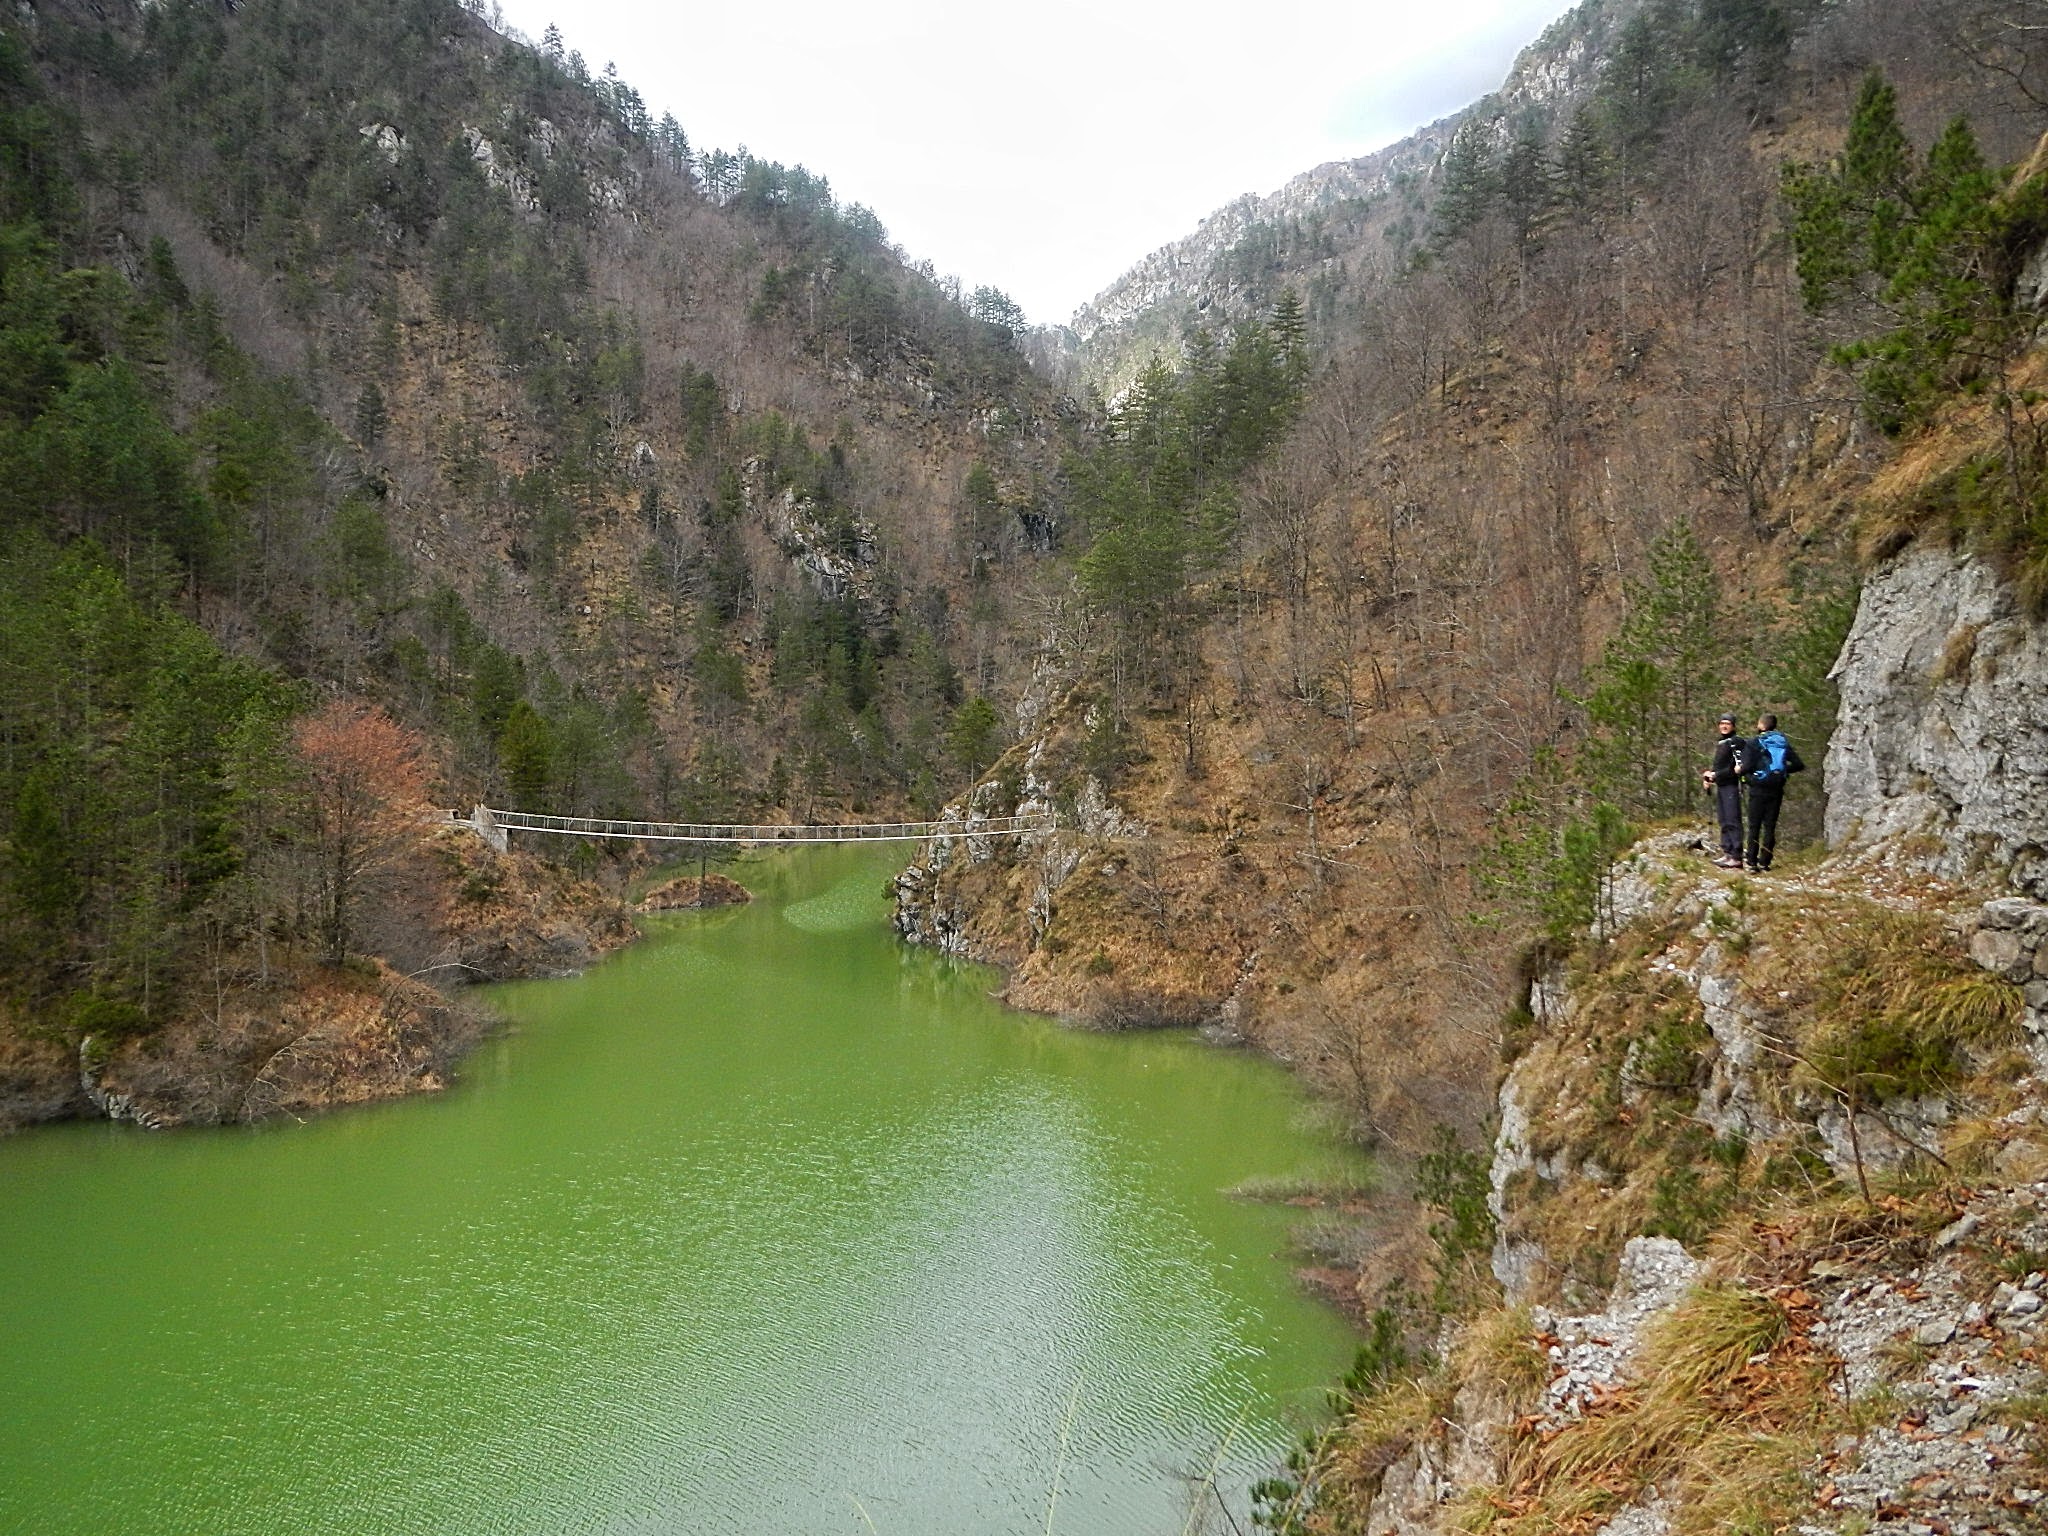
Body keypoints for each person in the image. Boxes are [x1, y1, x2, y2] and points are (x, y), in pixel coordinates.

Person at [1742, 714, 1805, 873]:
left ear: (1761, 725)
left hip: (1758, 788)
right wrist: (1782, 771)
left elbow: (1746, 767)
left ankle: (1751, 862)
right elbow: (1798, 764)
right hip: (1776, 789)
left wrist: (1744, 776)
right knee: (1770, 826)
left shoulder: (1753, 743)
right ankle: (1765, 862)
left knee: (1754, 826)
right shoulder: (1782, 742)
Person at [1700, 713, 1748, 869]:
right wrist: (1710, 778)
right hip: (1722, 785)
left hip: (1732, 786)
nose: (1724, 726)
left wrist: (1716, 775)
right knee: (1724, 820)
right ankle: (1727, 852)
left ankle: (1736, 855)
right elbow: (1721, 766)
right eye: (1722, 723)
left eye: (1727, 723)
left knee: (1732, 819)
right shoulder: (1723, 742)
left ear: (1733, 726)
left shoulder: (1736, 743)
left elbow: (1736, 769)